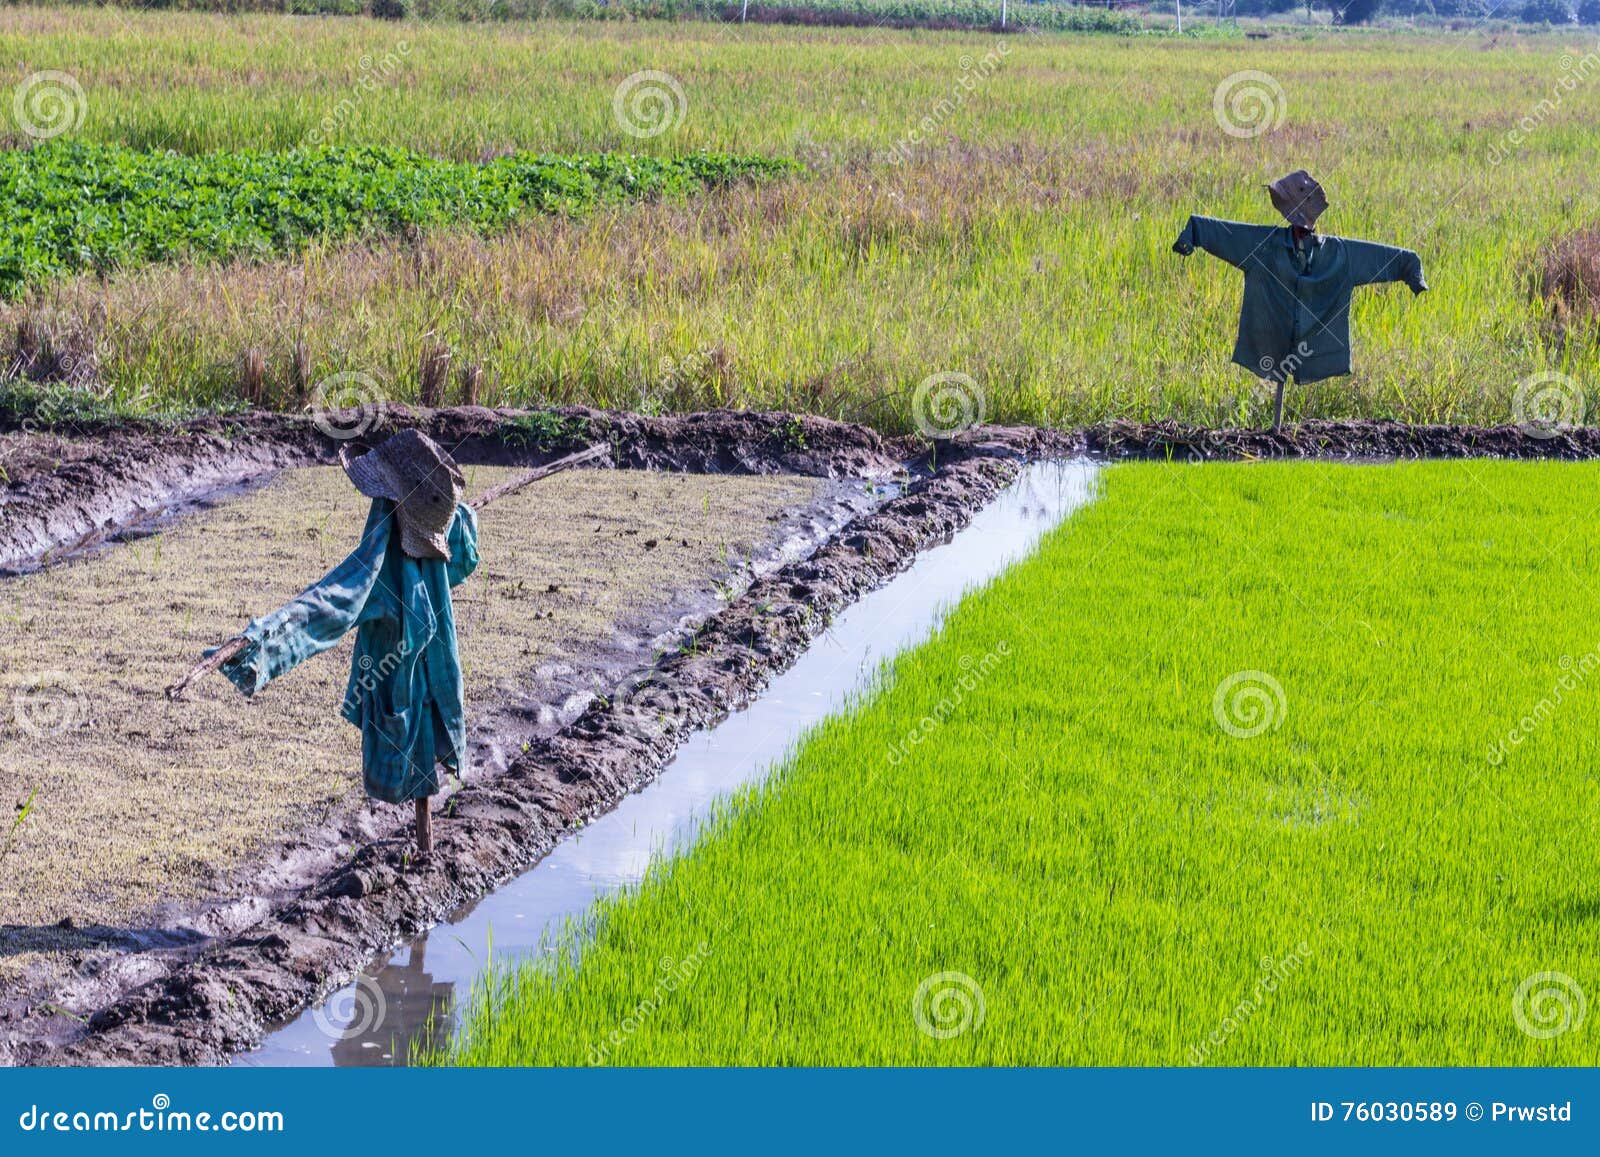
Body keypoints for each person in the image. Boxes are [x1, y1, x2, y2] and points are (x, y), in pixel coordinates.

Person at [215, 428, 479, 854]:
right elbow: (460, 553)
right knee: (420, 744)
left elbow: (329, 604)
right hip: (422, 676)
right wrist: (258, 643)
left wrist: (260, 643)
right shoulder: (432, 533)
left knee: (415, 740)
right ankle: (425, 845)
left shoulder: (381, 559)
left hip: (405, 678)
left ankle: (425, 847)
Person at [1172, 170, 1428, 432]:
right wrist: (1193, 233)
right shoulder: (1264, 245)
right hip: (1271, 335)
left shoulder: (1339, 253)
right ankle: (1275, 429)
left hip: (1314, 341)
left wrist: (1410, 269)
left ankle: (1279, 431)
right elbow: (1223, 233)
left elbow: (1380, 257)